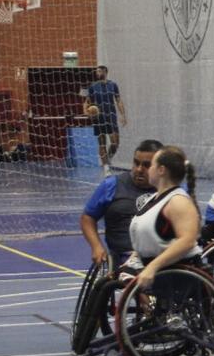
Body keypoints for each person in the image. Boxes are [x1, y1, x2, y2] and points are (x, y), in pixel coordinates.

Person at [123, 146, 203, 289]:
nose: (148, 170)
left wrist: (152, 267)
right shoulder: (154, 198)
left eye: (151, 165)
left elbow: (187, 241)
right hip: (149, 264)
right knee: (104, 285)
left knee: (108, 286)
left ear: (161, 170)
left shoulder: (178, 201)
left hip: (173, 272)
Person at [79, 139, 163, 267]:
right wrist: (96, 246)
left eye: (146, 165)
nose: (139, 169)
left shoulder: (170, 191)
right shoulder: (111, 185)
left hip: (161, 258)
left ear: (160, 168)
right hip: (123, 257)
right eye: (136, 163)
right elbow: (88, 217)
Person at [83, 65, 127, 171]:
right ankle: (106, 167)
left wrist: (123, 115)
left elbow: (118, 100)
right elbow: (86, 102)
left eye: (99, 71)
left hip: (111, 116)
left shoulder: (113, 85)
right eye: (96, 71)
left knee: (115, 142)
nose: (97, 73)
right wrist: (86, 112)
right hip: (98, 118)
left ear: (105, 72)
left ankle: (108, 158)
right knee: (102, 143)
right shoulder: (93, 86)